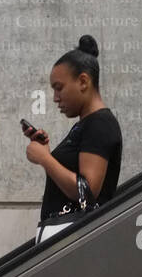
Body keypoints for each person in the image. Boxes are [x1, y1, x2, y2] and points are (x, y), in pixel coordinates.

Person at [28, 34, 123, 244]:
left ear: (83, 81)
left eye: (59, 88)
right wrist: (48, 152)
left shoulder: (100, 124)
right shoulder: (88, 124)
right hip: (71, 241)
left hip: (77, 243)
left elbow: (86, 193)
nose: (55, 98)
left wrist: (44, 158)